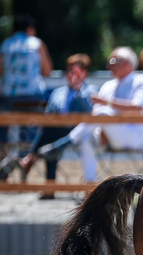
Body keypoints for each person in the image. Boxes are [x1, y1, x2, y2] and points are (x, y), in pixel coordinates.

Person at [38, 47, 143, 183]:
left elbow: (139, 108)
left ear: (127, 64)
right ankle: (90, 187)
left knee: (103, 112)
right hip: (106, 135)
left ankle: (64, 144)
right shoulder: (109, 85)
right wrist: (102, 128)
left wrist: (107, 103)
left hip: (132, 136)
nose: (108, 66)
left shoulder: (141, 81)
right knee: (87, 137)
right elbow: (95, 115)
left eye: (113, 61)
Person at [16, 54, 96, 198]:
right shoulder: (58, 92)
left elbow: (89, 112)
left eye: (77, 71)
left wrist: (78, 90)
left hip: (78, 131)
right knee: (49, 138)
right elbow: (48, 114)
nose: (72, 75)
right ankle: (48, 183)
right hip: (56, 130)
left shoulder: (90, 91)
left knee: (49, 139)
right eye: (70, 71)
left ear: (85, 73)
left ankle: (30, 159)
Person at [0, 13, 53, 180]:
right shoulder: (37, 44)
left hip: (8, 97)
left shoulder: (5, 45)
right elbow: (47, 70)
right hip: (33, 97)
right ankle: (26, 160)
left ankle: (5, 159)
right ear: (30, 29)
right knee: (31, 129)